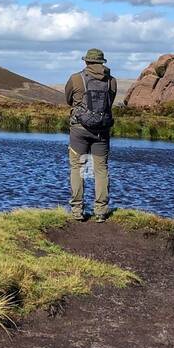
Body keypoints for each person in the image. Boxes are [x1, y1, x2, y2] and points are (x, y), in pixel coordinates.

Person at [64, 48, 117, 221]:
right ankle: (101, 211)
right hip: (102, 131)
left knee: (77, 168)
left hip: (79, 130)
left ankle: (77, 211)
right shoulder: (112, 81)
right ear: (102, 62)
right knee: (101, 170)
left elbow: (68, 99)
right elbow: (110, 103)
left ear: (86, 61)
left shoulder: (76, 79)